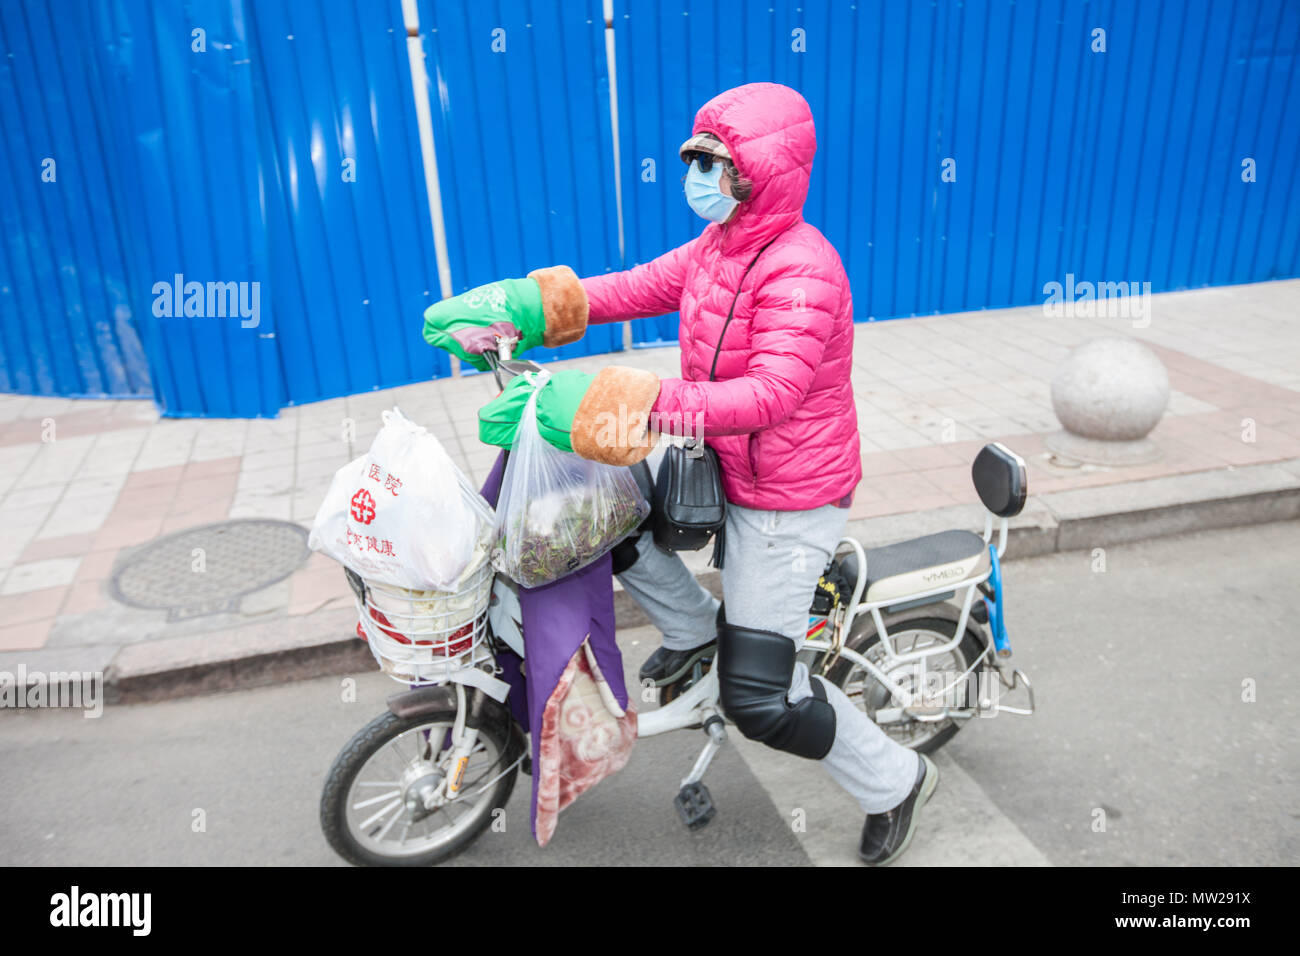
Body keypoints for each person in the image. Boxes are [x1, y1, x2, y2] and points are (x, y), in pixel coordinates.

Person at [423, 82, 936, 865]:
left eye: (713, 163)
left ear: (759, 171)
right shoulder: (718, 249)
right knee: (589, 511)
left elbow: (769, 396)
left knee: (764, 701)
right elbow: (629, 288)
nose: (696, 176)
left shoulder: (804, 270)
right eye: (693, 158)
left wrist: (621, 400)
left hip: (787, 498)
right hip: (718, 464)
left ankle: (896, 781)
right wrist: (522, 306)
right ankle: (697, 629)